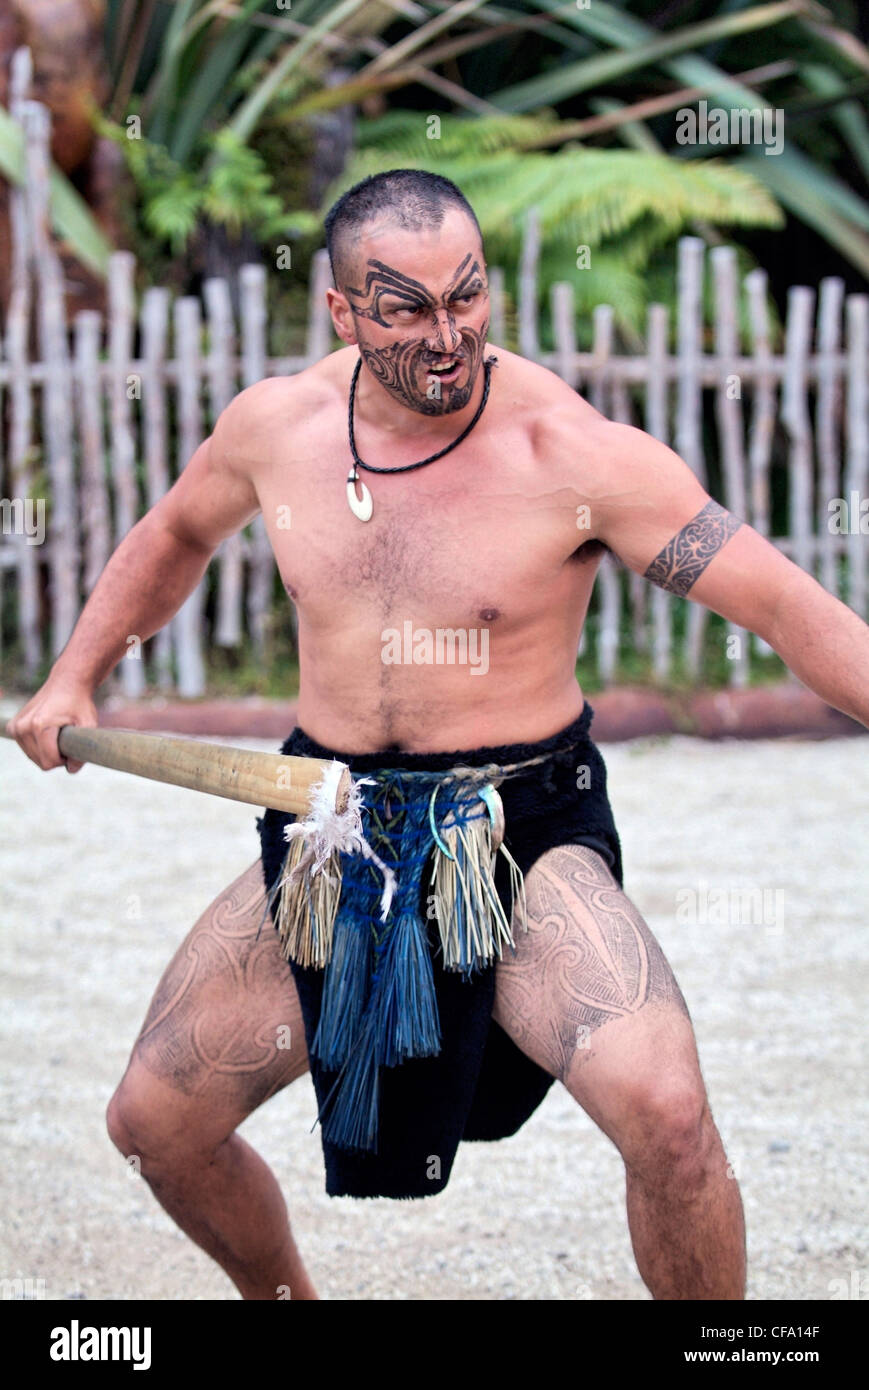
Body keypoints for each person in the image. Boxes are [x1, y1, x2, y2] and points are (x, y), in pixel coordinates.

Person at [7, 169, 868, 1303]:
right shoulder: (277, 430)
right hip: (332, 831)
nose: (447, 333)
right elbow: (173, 534)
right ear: (342, 314)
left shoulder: (571, 456)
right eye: (406, 307)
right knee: (154, 1122)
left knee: (665, 1111)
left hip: (513, 829)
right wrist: (73, 675)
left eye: (465, 296)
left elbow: (781, 606)